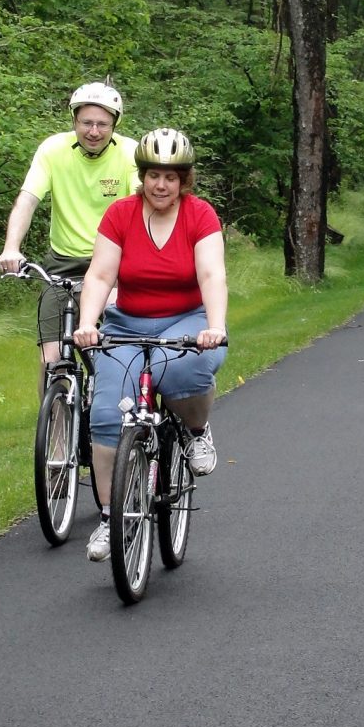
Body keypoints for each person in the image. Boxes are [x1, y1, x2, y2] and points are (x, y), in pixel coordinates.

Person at [73, 128, 228, 562]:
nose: (161, 185)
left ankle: (196, 431)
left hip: (187, 319)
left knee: (185, 369)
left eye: (171, 177)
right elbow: (101, 276)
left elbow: (211, 275)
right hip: (126, 323)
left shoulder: (200, 215)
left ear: (184, 180)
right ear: (142, 176)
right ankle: (110, 517)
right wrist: (88, 323)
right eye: (154, 175)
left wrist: (213, 325)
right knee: (105, 415)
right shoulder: (120, 214)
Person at [0, 81, 139, 378]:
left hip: (115, 263)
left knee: (116, 351)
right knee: (51, 360)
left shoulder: (130, 154)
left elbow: (144, 211)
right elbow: (28, 199)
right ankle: (55, 422)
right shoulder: (53, 149)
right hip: (63, 264)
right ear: (74, 121)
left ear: (115, 124)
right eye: (86, 122)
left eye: (102, 124)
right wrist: (11, 247)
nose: (94, 131)